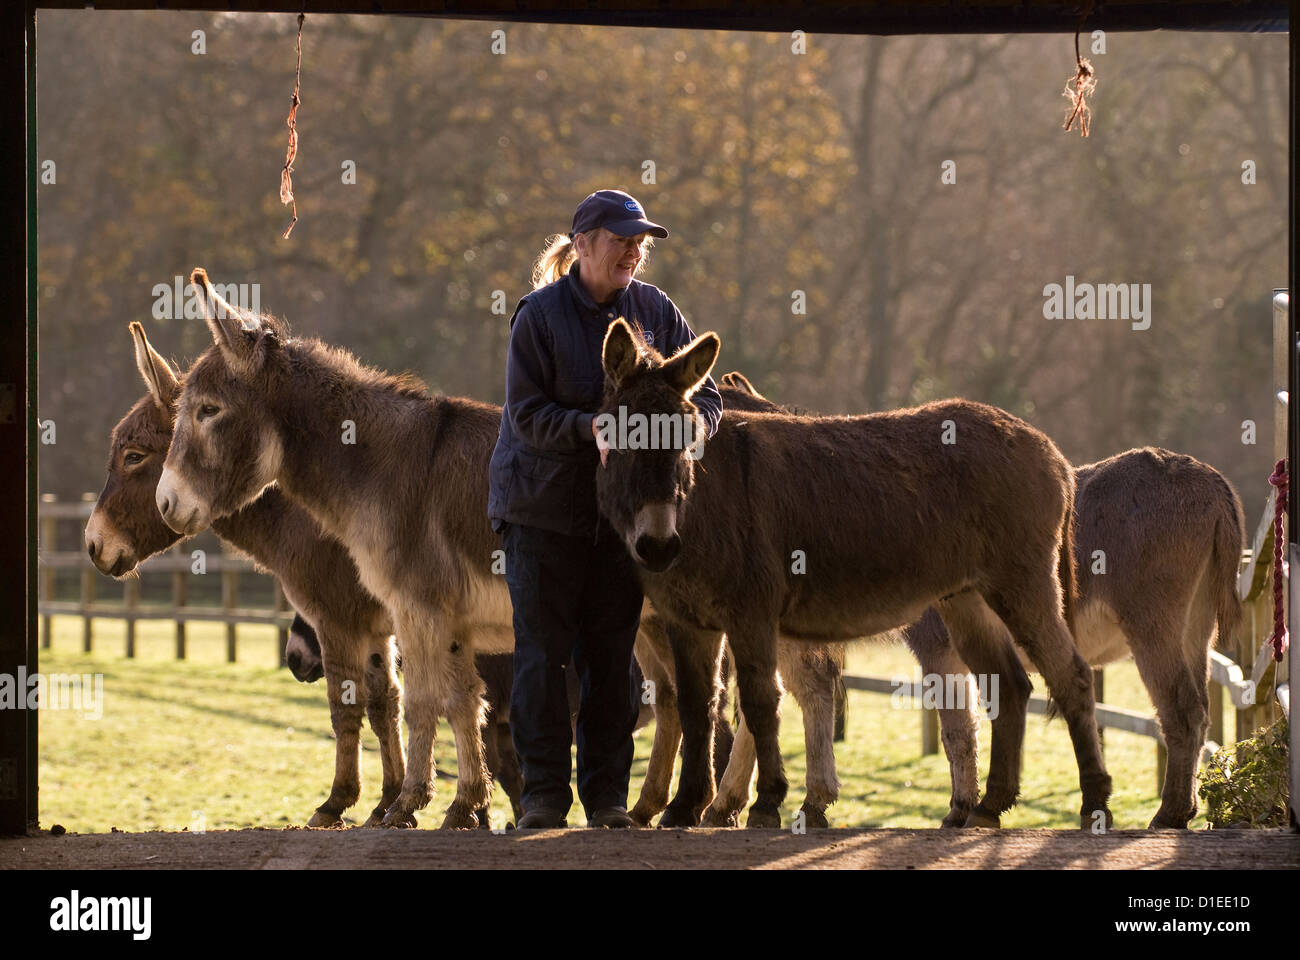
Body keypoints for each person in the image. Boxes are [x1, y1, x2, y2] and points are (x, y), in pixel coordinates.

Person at [487, 189, 724, 828]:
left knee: (613, 659)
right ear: (583, 242)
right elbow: (526, 414)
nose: (633, 250)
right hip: (542, 511)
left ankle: (607, 802)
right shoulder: (538, 316)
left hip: (619, 522)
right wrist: (590, 428)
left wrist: (696, 427)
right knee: (540, 656)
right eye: (621, 239)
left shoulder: (654, 308)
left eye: (638, 242)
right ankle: (542, 800)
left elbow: (705, 397)